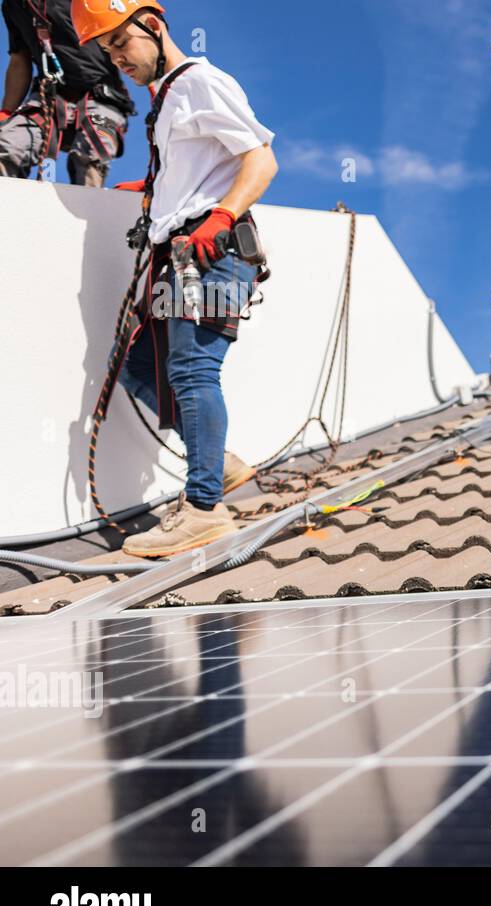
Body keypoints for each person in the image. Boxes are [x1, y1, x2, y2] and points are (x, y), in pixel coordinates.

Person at [73, 0, 276, 558]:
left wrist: (220, 216)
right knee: (142, 367)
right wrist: (151, 188)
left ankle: (204, 509)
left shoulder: (199, 82)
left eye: (119, 44)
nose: (117, 60)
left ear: (153, 26)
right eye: (107, 52)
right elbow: (196, 168)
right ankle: (221, 464)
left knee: (191, 370)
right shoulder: (166, 103)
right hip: (179, 251)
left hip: (209, 248)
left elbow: (260, 160)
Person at [0, 0, 134, 186]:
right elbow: (19, 59)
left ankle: (87, 210)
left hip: (100, 94)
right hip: (49, 95)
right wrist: (6, 112)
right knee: (7, 145)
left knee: (90, 155)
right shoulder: (14, 5)